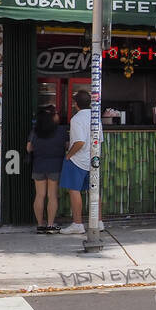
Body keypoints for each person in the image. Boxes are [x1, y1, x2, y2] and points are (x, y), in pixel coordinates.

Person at [59, 90, 95, 235]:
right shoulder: (95, 117)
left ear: (75, 104)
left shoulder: (76, 119)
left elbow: (79, 141)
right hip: (92, 159)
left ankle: (78, 223)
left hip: (77, 160)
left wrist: (69, 155)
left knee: (74, 190)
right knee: (93, 190)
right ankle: (98, 222)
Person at [27, 106, 68, 234]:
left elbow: (29, 148)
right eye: (56, 113)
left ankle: (40, 225)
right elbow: (67, 146)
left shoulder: (36, 131)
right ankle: (50, 225)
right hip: (55, 165)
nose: (58, 116)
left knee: (39, 195)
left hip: (39, 164)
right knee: (52, 196)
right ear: (52, 116)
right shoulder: (61, 130)